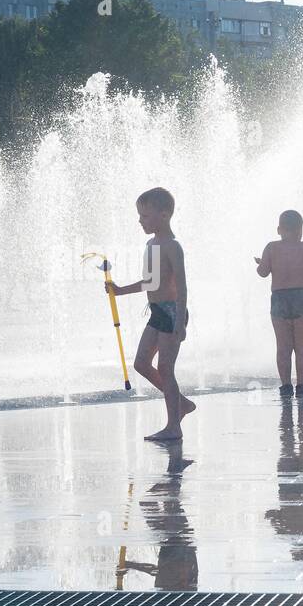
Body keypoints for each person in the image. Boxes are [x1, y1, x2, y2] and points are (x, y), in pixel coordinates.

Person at [105, 187, 195, 440]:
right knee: (142, 363)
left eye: (145, 216)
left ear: (164, 215)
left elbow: (182, 285)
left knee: (166, 368)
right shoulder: (151, 244)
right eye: (140, 216)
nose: (140, 221)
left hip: (171, 312)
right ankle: (182, 403)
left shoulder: (172, 246)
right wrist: (120, 291)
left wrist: (180, 323)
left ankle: (174, 427)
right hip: (156, 312)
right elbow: (150, 282)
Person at [255, 209, 303, 397]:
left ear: (279, 229)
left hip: (279, 299)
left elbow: (262, 273)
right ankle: (302, 386)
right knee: (302, 346)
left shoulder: (271, 248)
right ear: (301, 230)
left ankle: (286, 386)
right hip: (301, 297)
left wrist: (260, 263)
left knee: (283, 346)